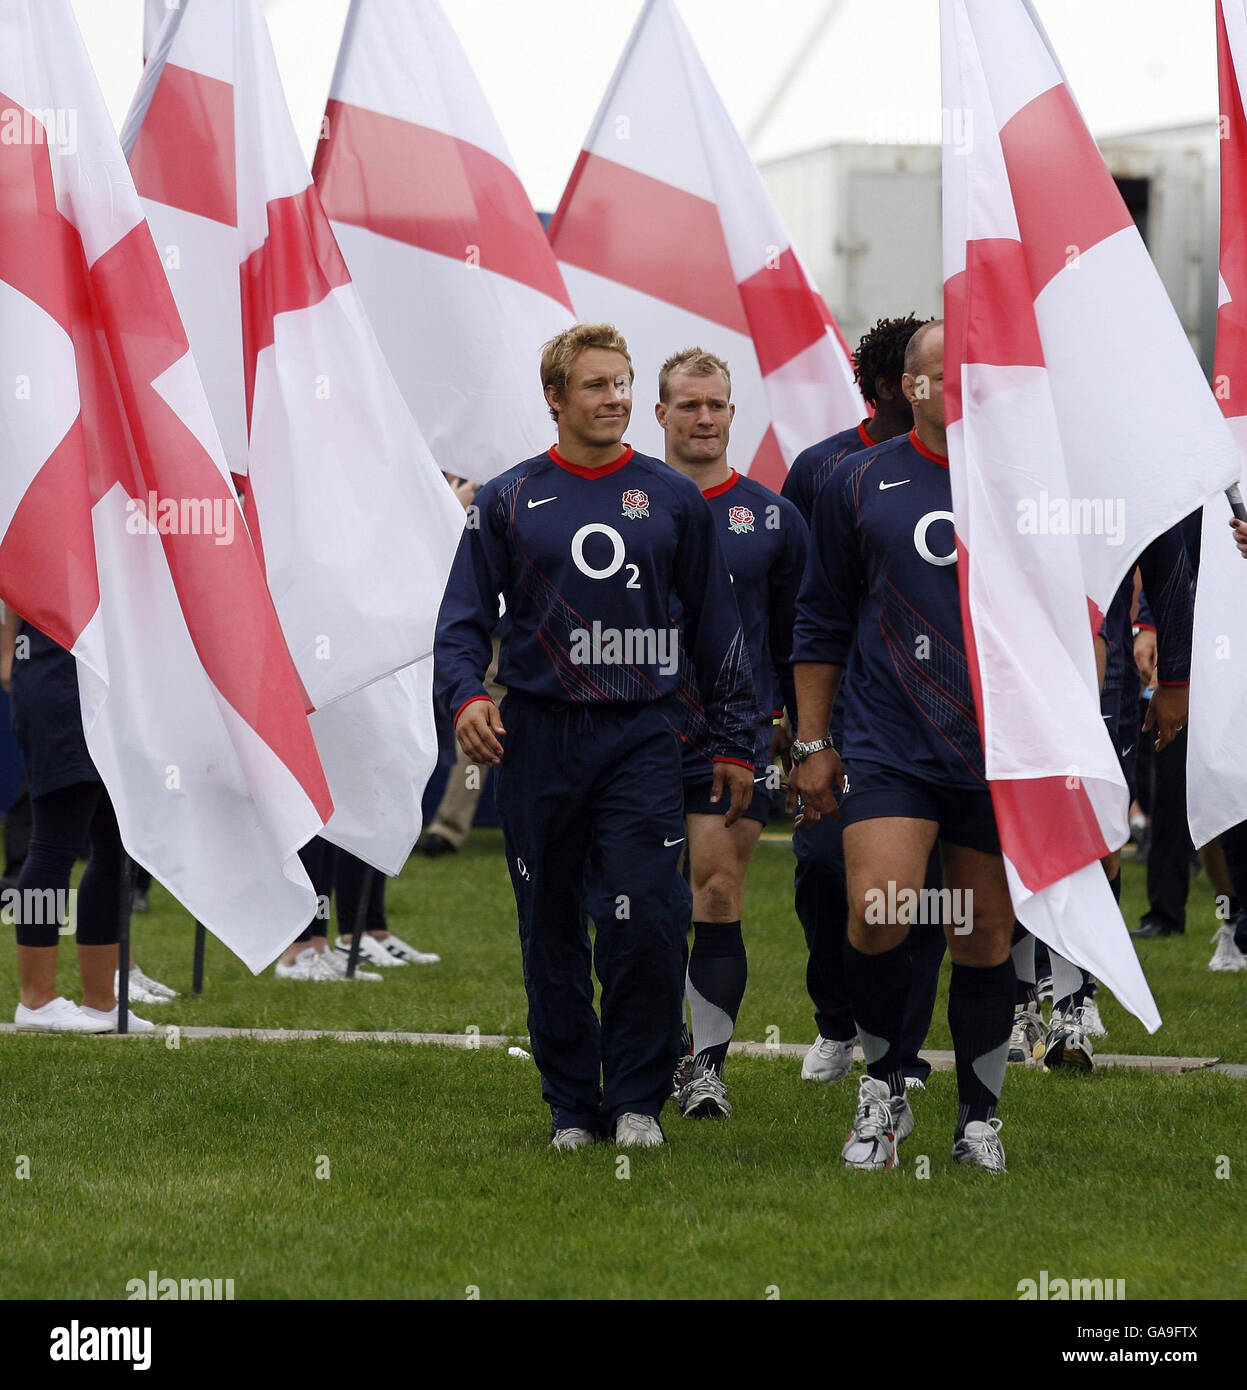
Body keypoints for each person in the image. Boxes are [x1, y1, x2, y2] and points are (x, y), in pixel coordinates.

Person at [434, 323, 758, 1151]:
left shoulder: (672, 499)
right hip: (538, 738)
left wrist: (731, 743)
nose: (614, 398)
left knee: (646, 919)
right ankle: (572, 1108)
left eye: (621, 384)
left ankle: (637, 1101)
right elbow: (461, 623)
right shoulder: (507, 499)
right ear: (554, 398)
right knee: (548, 927)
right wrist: (468, 694)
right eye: (595, 386)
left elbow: (717, 631)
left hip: (644, 738)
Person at [789, 320, 1014, 1172]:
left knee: (982, 934)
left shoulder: (1023, 484)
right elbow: (819, 618)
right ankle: (883, 1089)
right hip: (886, 740)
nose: (960, 391)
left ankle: (978, 1118)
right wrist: (813, 740)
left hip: (994, 748)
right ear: (909, 389)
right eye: (941, 377)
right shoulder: (855, 482)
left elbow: (1071, 617)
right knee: (879, 910)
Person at [781, 315, 945, 1091]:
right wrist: (801, 730)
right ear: (889, 387)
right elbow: (803, 602)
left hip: (937, 717)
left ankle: (901, 1053)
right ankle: (833, 1022)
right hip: (847, 709)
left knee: (925, 889)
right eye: (918, 376)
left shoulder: (973, 468)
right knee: (822, 872)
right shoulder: (826, 469)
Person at [655, 347, 807, 1120]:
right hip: (638, 733)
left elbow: (800, 636)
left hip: (735, 738)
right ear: (660, 416)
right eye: (688, 405)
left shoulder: (773, 517)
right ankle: (649, 1054)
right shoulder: (629, 504)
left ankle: (705, 1068)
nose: (704, 418)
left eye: (715, 404)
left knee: (715, 890)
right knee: (642, 904)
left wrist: (794, 729)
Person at [1, 608, 168, 1031]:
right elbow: (13, 580)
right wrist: (7, 650)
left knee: (115, 848)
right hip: (57, 684)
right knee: (54, 844)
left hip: (113, 692)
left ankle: (101, 1000)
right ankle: (36, 1002)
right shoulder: (53, 540)